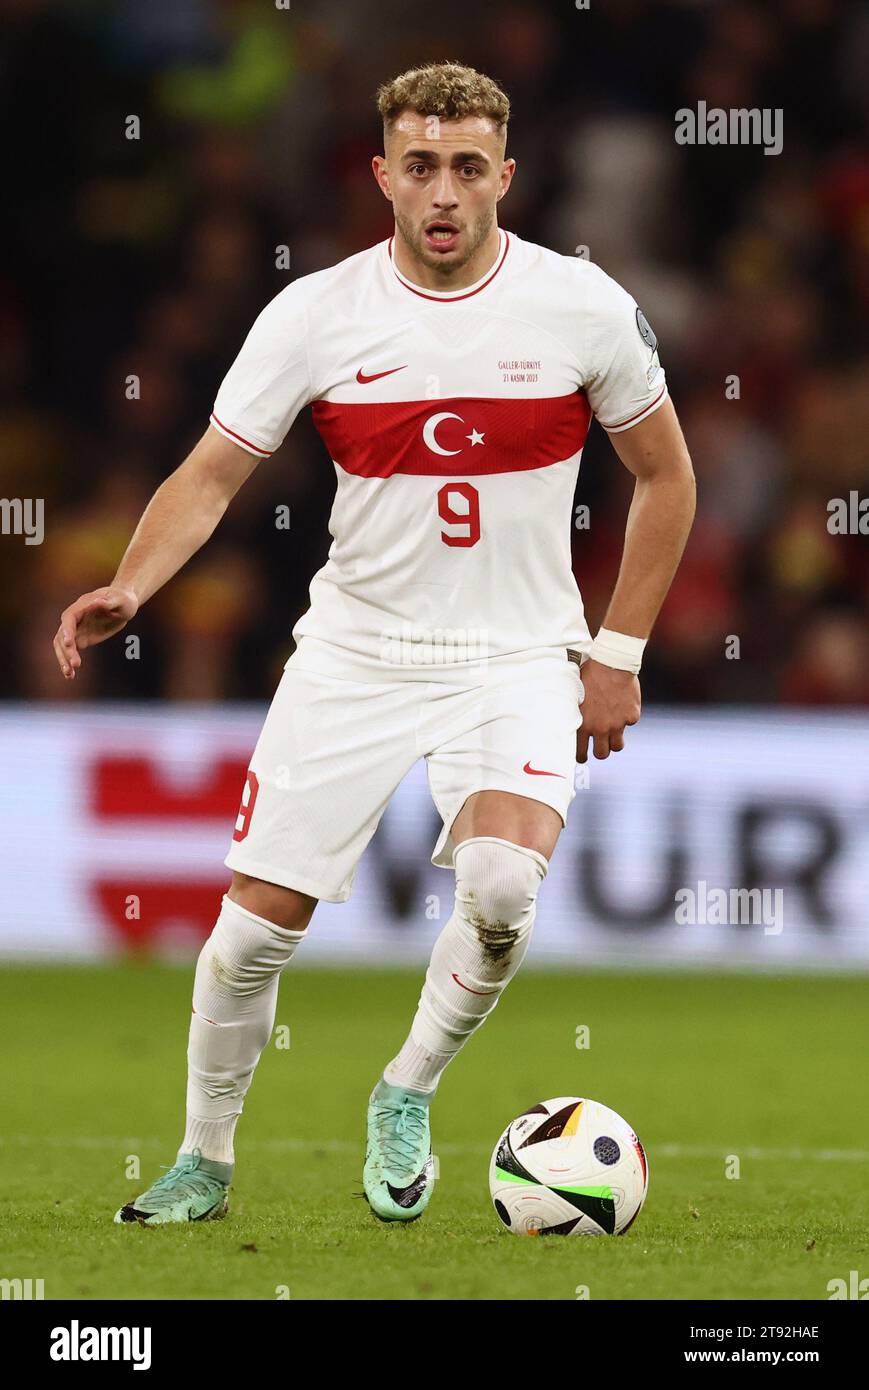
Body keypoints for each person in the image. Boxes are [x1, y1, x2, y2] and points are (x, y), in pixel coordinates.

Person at [52, 61, 695, 1226]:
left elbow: (665, 478)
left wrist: (618, 651)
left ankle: (405, 1088)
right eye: (418, 166)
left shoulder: (579, 308)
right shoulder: (314, 314)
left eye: (463, 168)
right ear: (380, 175)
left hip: (517, 655)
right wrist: (131, 584)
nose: (441, 192)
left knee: (500, 884)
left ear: (503, 174)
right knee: (247, 939)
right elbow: (211, 474)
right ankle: (204, 1159)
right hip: (354, 653)